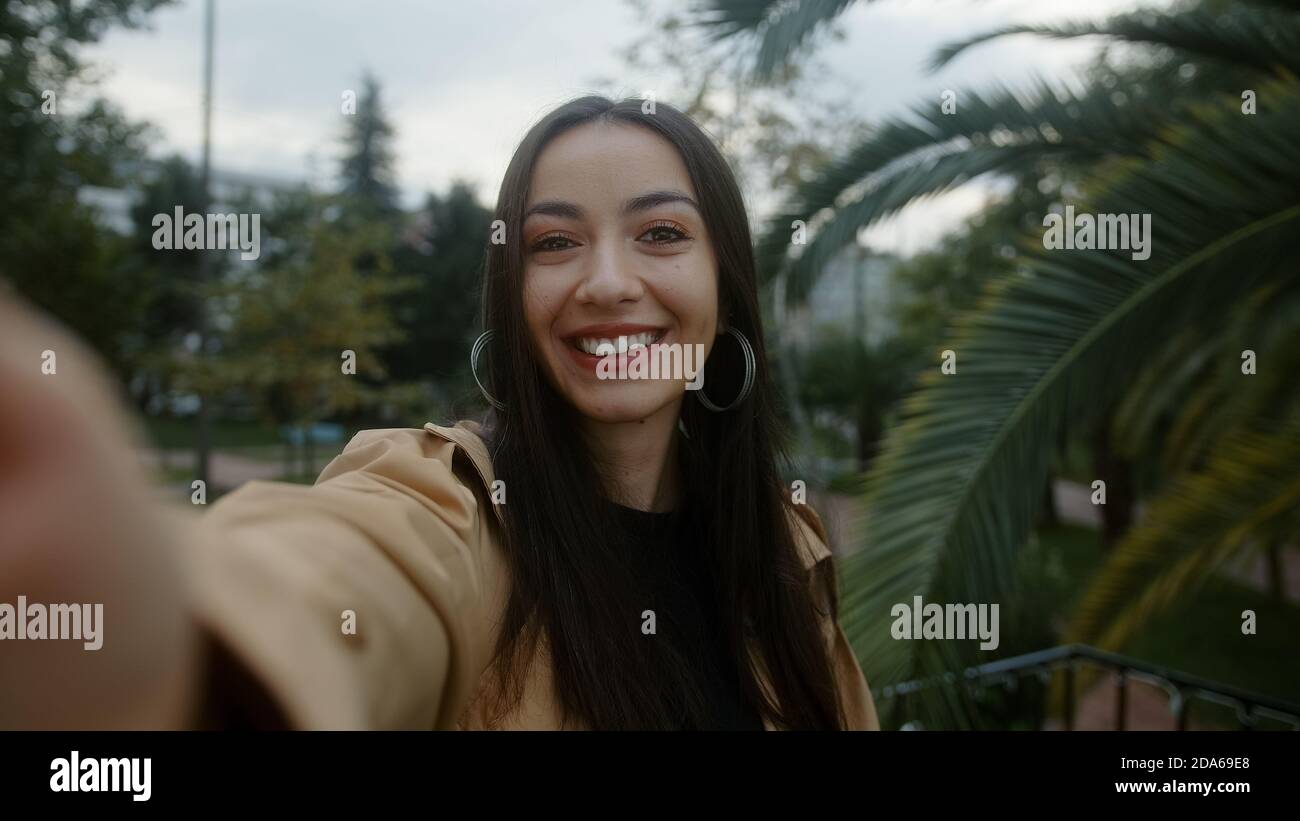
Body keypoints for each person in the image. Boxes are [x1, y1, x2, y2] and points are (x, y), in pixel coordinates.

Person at [0, 96, 879, 731]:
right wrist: (164, 644)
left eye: (661, 234)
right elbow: (341, 581)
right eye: (554, 242)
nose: (608, 282)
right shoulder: (451, 503)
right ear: (513, 293)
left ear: (725, 285)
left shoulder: (787, 547)